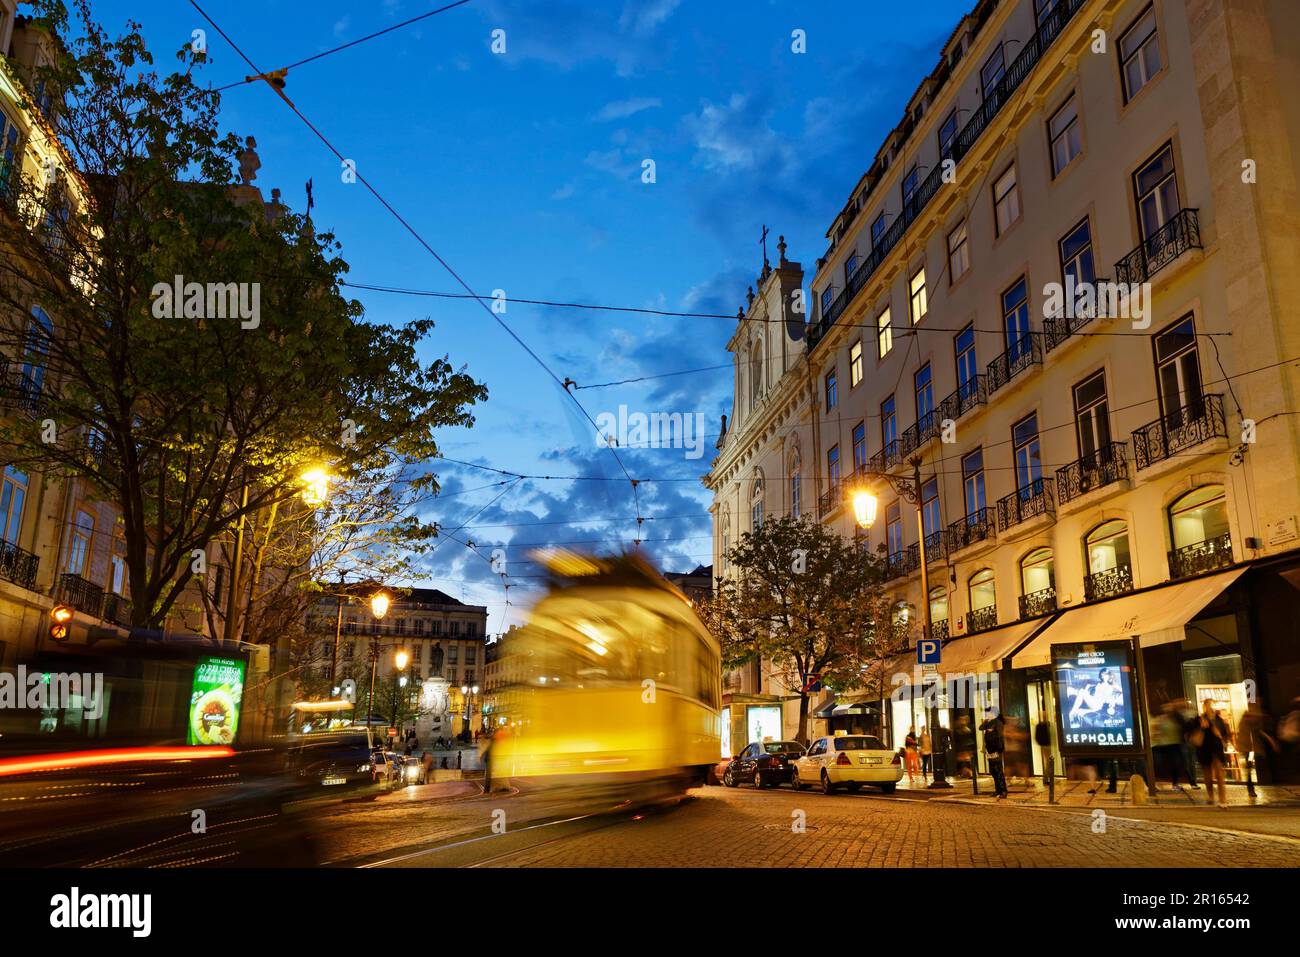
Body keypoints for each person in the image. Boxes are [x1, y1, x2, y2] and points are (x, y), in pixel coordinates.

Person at [1194, 698, 1231, 808]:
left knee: (1219, 772)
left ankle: (1222, 799)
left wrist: (1224, 739)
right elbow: (1194, 732)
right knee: (1208, 774)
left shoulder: (1218, 719)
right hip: (1205, 747)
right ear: (1205, 706)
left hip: (1216, 747)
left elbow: (1223, 733)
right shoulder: (1200, 718)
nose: (1210, 707)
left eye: (1211, 705)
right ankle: (1210, 795)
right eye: (1208, 705)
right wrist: (1201, 728)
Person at [1236, 702, 1276, 798]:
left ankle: (1252, 788)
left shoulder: (1254, 719)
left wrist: (1271, 741)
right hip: (1247, 747)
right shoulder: (1247, 718)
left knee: (1251, 767)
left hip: (1253, 746)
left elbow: (1259, 731)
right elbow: (1244, 733)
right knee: (1249, 768)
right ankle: (1251, 789)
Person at [979, 709, 1008, 799]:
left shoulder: (997, 722)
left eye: (987, 713)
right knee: (993, 771)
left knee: (998, 771)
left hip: (996, 750)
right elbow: (981, 728)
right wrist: (986, 721)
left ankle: (1003, 791)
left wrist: (998, 749)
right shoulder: (989, 722)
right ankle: (997, 790)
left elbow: (999, 736)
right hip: (990, 750)